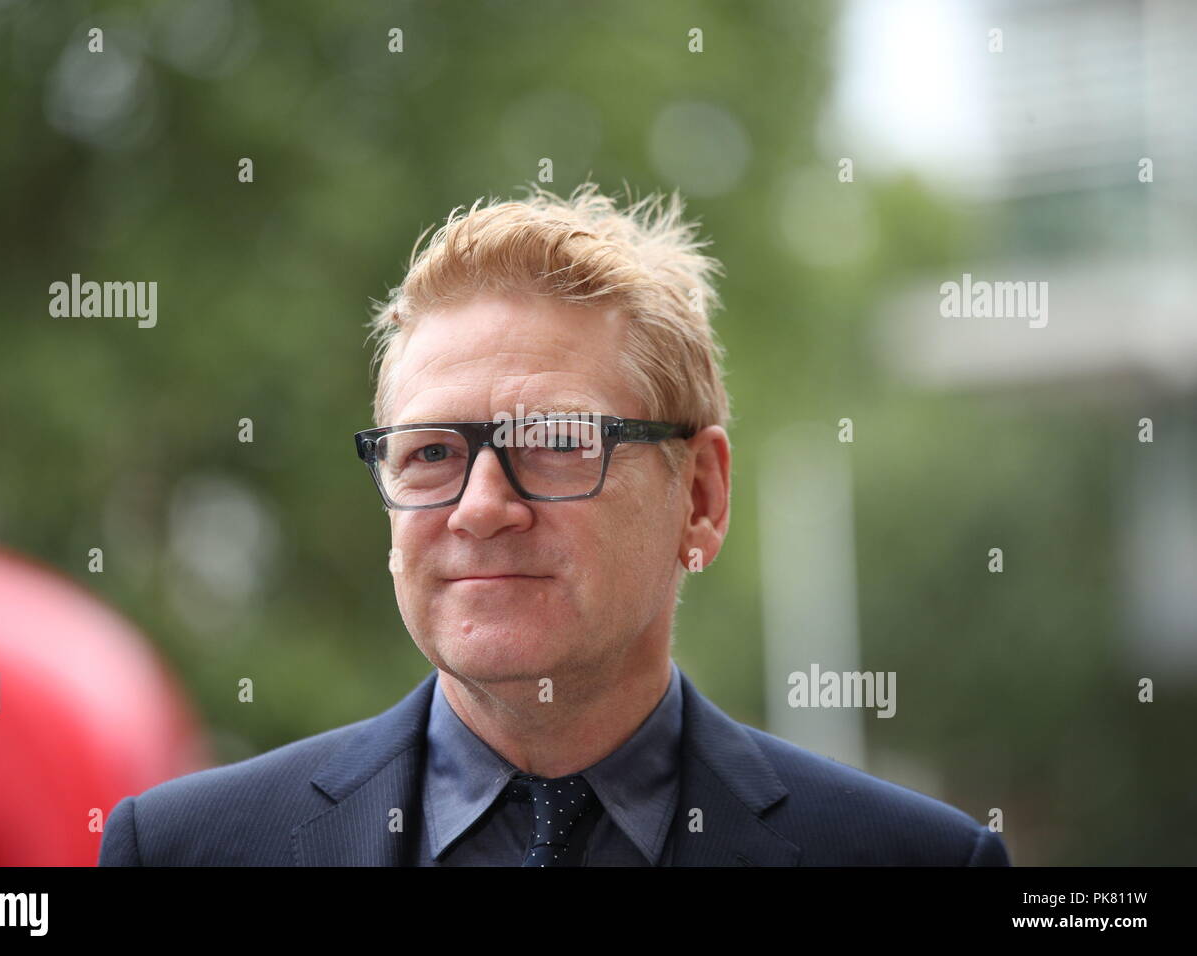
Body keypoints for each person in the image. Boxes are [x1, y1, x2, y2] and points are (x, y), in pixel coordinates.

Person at [98, 182, 1011, 867]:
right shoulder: (183, 852)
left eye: (555, 442)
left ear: (700, 497)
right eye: (430, 455)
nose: (482, 507)